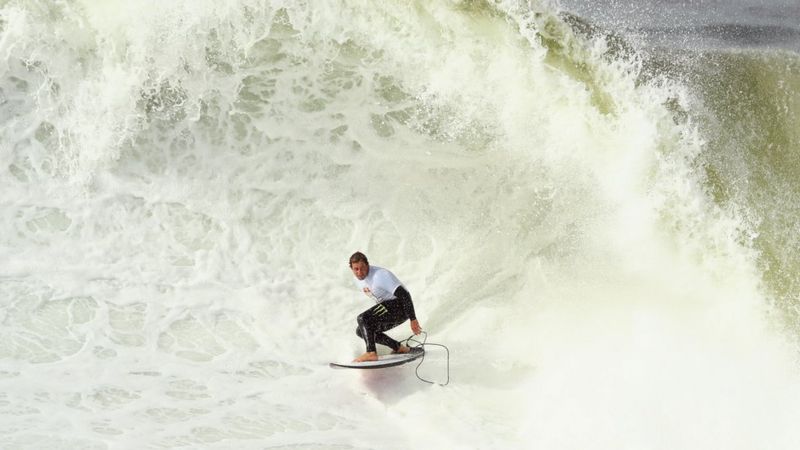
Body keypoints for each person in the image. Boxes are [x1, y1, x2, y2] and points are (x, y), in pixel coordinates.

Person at [348, 251, 422, 362]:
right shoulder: (358, 280)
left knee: (362, 318)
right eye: (356, 269)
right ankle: (399, 348)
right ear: (351, 269)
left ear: (368, 265)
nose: (359, 272)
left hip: (400, 306)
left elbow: (404, 295)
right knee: (362, 330)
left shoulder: (380, 275)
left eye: (362, 268)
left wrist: (413, 319)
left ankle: (371, 353)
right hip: (388, 307)